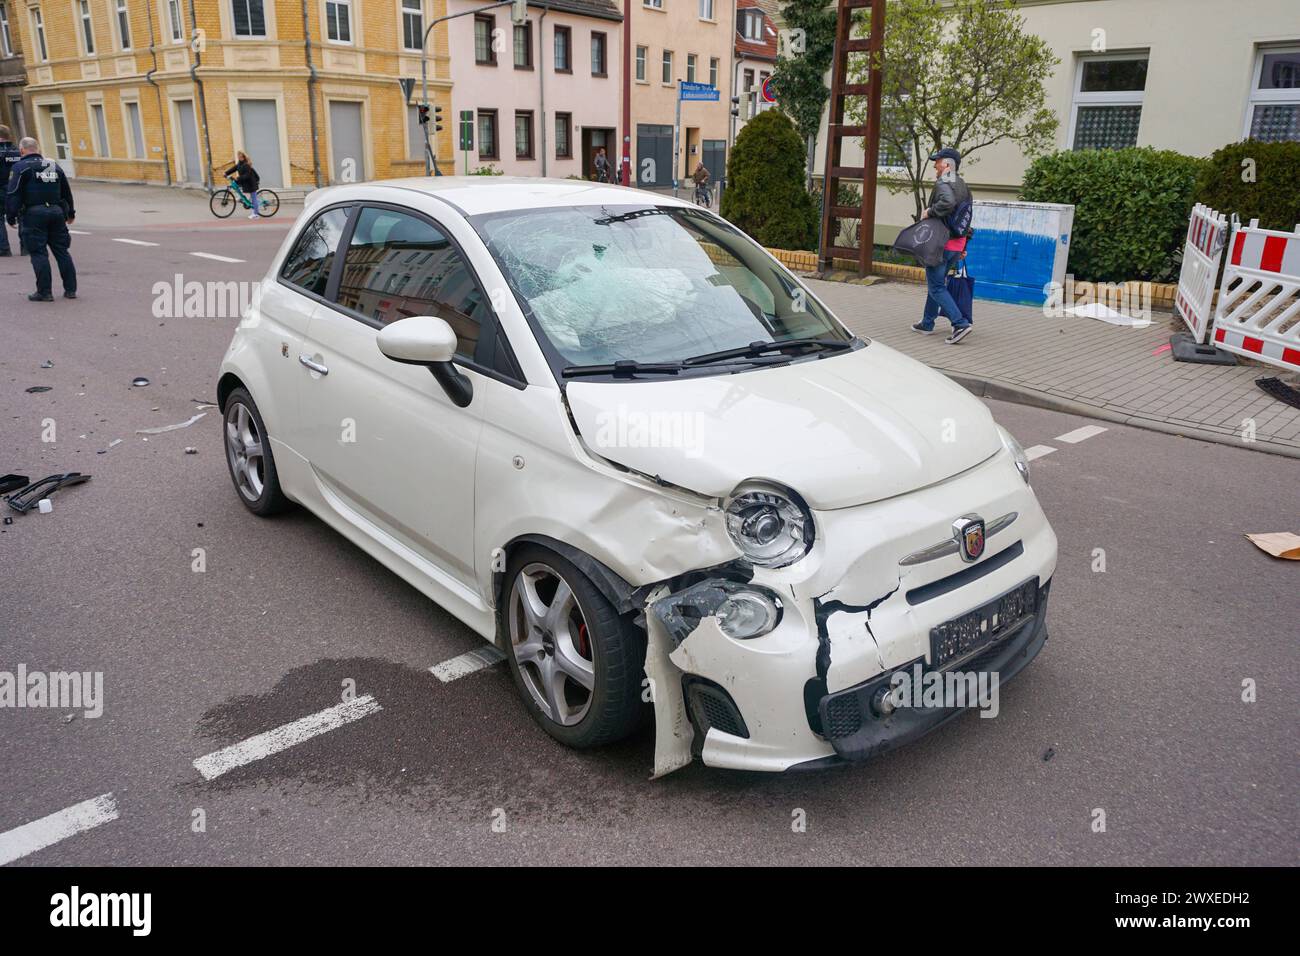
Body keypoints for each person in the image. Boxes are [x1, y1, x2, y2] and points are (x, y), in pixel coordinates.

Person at [912, 146, 973, 344]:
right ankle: (927, 323)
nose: (935, 166)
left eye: (937, 162)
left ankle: (960, 324)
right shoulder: (963, 184)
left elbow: (947, 203)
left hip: (942, 244)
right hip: (956, 244)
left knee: (937, 286)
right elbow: (966, 217)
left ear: (947, 164)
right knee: (936, 284)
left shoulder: (945, 181)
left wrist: (929, 212)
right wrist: (964, 247)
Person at [5, 137, 77, 302]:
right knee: (62, 252)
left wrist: (11, 216)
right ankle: (71, 290)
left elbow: (13, 193)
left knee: (39, 253)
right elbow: (66, 192)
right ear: (38, 148)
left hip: (34, 214)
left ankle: (45, 292)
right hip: (56, 212)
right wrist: (70, 213)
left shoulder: (20, 167)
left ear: (22, 150)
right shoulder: (53, 166)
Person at [223, 151, 261, 219]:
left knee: (254, 198)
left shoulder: (246, 165)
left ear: (243, 157)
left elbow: (247, 175)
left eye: (240, 156)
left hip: (251, 183)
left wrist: (238, 178)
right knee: (238, 187)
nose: (238, 157)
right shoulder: (239, 164)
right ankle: (243, 199)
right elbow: (233, 169)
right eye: (238, 156)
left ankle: (256, 214)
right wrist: (226, 173)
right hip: (245, 182)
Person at [0, 126, 19, 257]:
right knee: (22, 217)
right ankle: (26, 248)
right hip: (18, 190)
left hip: (1, 189)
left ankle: (4, 249)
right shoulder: (18, 151)